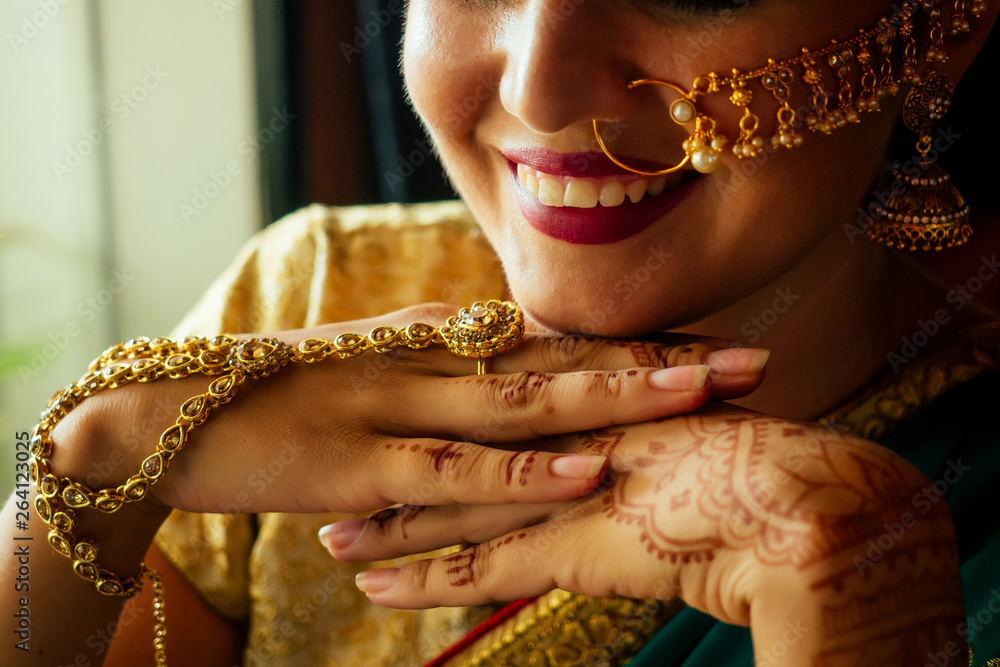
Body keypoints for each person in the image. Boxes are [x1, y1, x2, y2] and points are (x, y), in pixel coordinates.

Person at [4, 0, 1000, 665]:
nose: (536, 88)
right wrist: (99, 463)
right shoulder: (310, 298)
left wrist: (849, 588)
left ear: (942, 28)